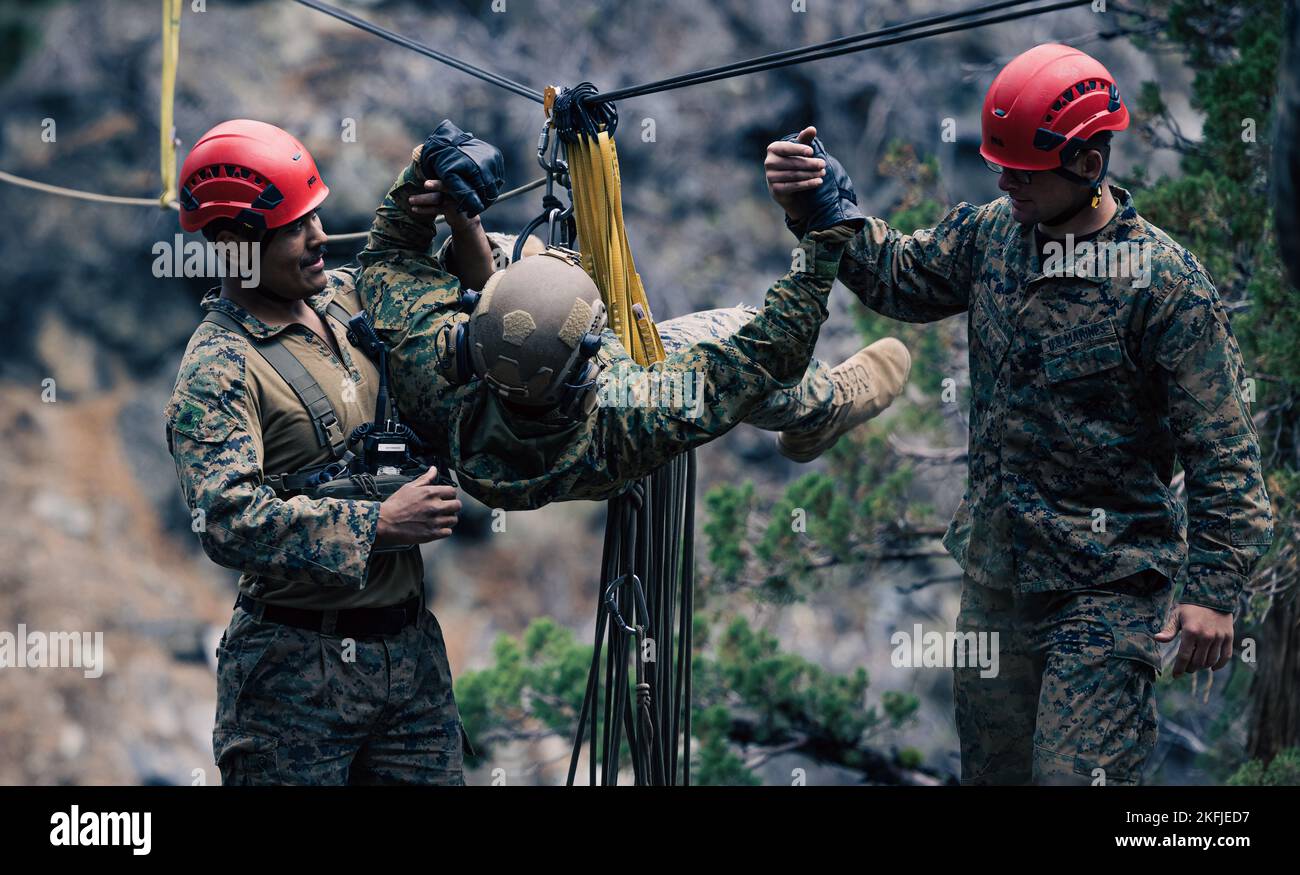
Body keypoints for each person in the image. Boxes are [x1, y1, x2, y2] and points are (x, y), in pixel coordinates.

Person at [765, 44, 1273, 785]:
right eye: (998, 164)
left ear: (1089, 165)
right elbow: (902, 278)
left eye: (1024, 172)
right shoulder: (994, 233)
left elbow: (1223, 450)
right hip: (996, 586)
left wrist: (1214, 592)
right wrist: (823, 206)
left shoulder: (1162, 284)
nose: (1004, 181)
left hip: (1104, 596)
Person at [352, 132, 912, 512]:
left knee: (503, 258)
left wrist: (430, 166)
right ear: (595, 366)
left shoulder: (429, 361)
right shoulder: (630, 408)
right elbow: (766, 356)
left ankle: (487, 252)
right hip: (592, 441)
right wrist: (824, 233)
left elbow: (389, 255)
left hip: (500, 412)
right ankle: (823, 408)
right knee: (730, 334)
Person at [166, 119, 479, 785]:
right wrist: (381, 525)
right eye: (293, 227)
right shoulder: (219, 368)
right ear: (234, 245)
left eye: (316, 215)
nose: (318, 239)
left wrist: (438, 181)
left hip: (410, 661)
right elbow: (226, 518)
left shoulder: (344, 299)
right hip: (292, 683)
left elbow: (413, 262)